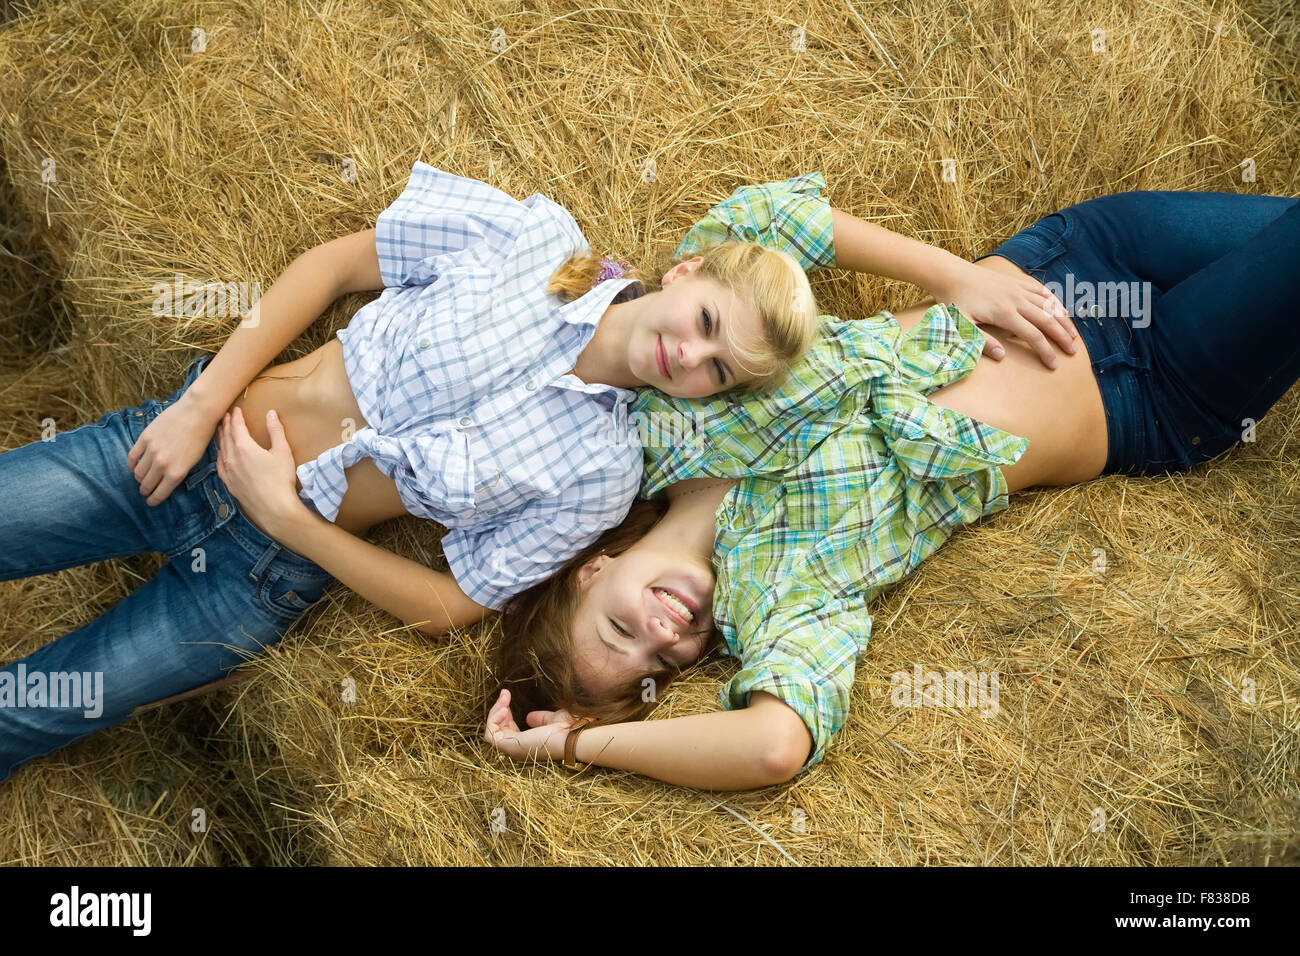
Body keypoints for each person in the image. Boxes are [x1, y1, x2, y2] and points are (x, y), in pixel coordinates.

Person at [0, 161, 823, 782]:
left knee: (26, 714)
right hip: (186, 452)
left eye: (718, 369)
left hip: (261, 575)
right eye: (707, 321)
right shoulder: (534, 241)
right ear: (686, 274)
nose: (690, 354)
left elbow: (455, 603)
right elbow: (334, 268)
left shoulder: (603, 474)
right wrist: (198, 406)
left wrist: (288, 522)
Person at [485, 175, 1300, 790]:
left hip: (1076, 260)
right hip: (1151, 387)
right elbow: (772, 746)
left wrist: (955, 277)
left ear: (593, 570)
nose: (664, 636)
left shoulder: (659, 428)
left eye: (620, 632)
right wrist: (573, 743)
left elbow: (765, 224)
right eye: (664, 665)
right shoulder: (780, 602)